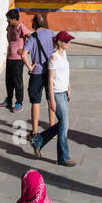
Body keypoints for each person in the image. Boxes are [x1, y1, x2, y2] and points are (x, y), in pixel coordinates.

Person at [29, 31, 76, 166]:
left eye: (69, 41)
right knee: (64, 125)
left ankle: (38, 141)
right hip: (56, 94)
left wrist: (69, 87)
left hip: (63, 92)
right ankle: (63, 157)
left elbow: (65, 73)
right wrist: (52, 100)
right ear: (60, 42)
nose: (68, 43)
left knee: (62, 124)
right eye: (66, 41)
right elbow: (50, 80)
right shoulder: (53, 58)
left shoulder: (64, 54)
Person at [25, 13, 56, 139]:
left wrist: (30, 67)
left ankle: (35, 132)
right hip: (49, 71)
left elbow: (23, 54)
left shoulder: (32, 37)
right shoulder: (52, 34)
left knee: (36, 102)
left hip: (37, 73)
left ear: (35, 23)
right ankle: (52, 129)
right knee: (51, 100)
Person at [0, 8, 30, 112]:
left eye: (8, 19)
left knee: (17, 81)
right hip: (9, 57)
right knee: (9, 81)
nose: (7, 21)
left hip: (18, 59)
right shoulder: (9, 27)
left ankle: (19, 102)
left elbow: (30, 38)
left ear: (14, 19)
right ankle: (8, 100)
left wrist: (26, 50)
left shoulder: (21, 27)